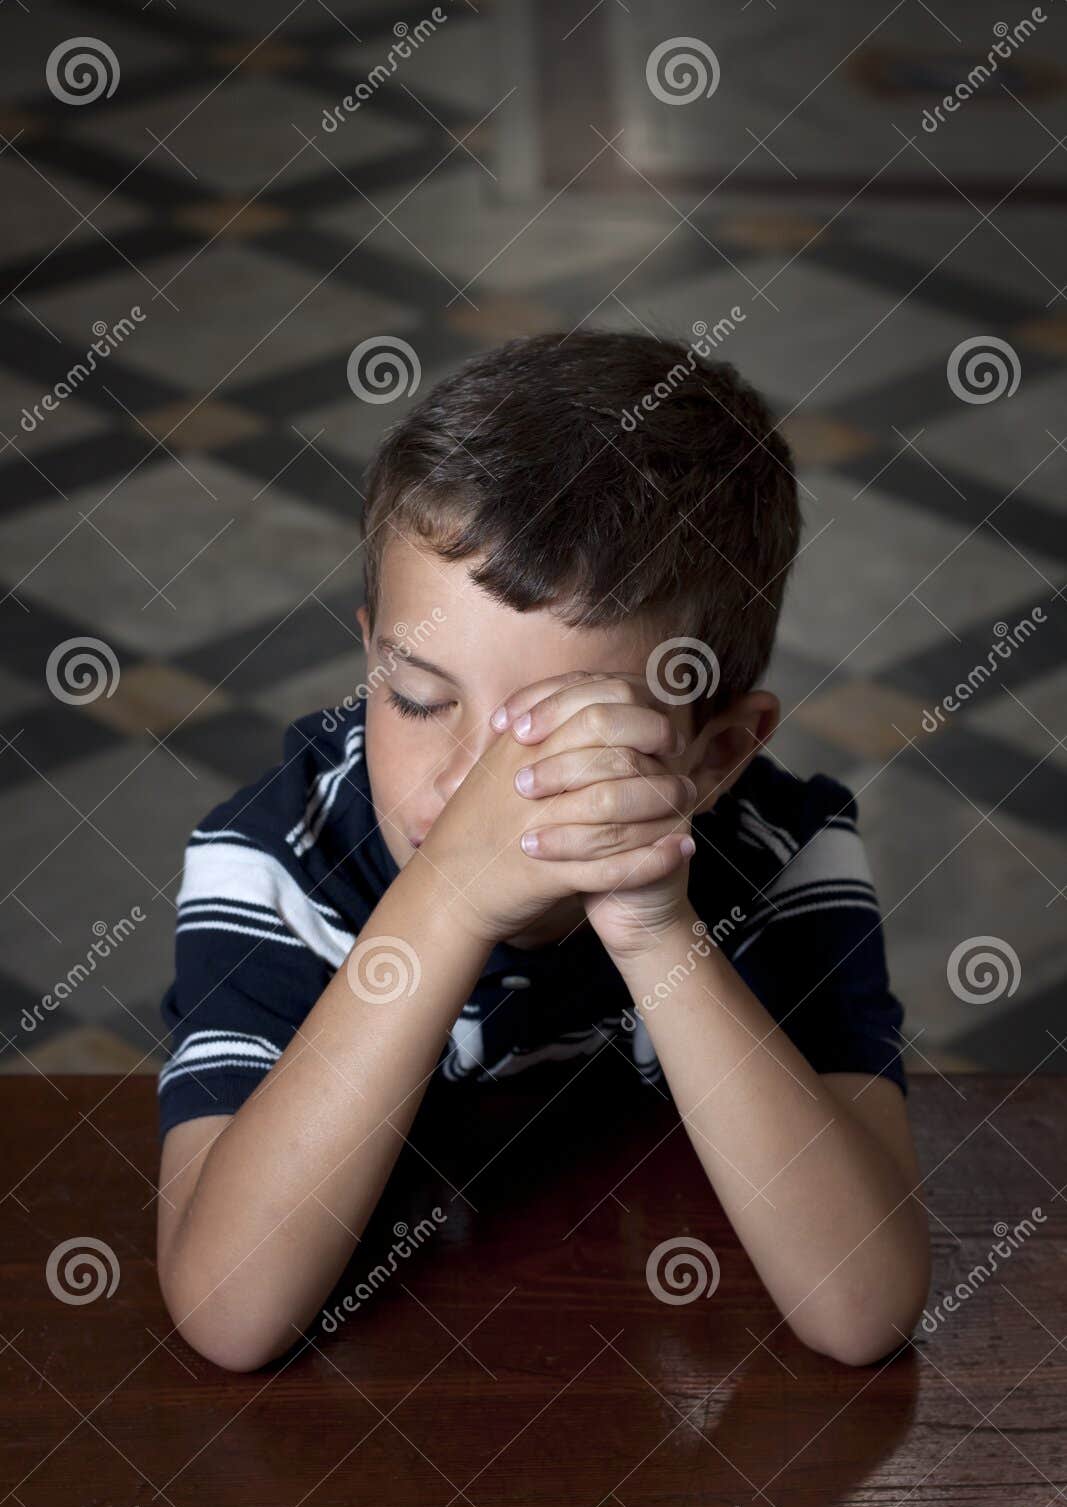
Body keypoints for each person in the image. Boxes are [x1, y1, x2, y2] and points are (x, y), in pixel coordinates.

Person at [154, 330, 930, 1373]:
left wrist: (656, 929)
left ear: (716, 753)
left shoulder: (779, 854)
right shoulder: (276, 863)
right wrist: (449, 895)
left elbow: (859, 1310)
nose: (463, 789)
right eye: (417, 698)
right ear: (369, 659)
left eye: (560, 733)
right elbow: (228, 1312)